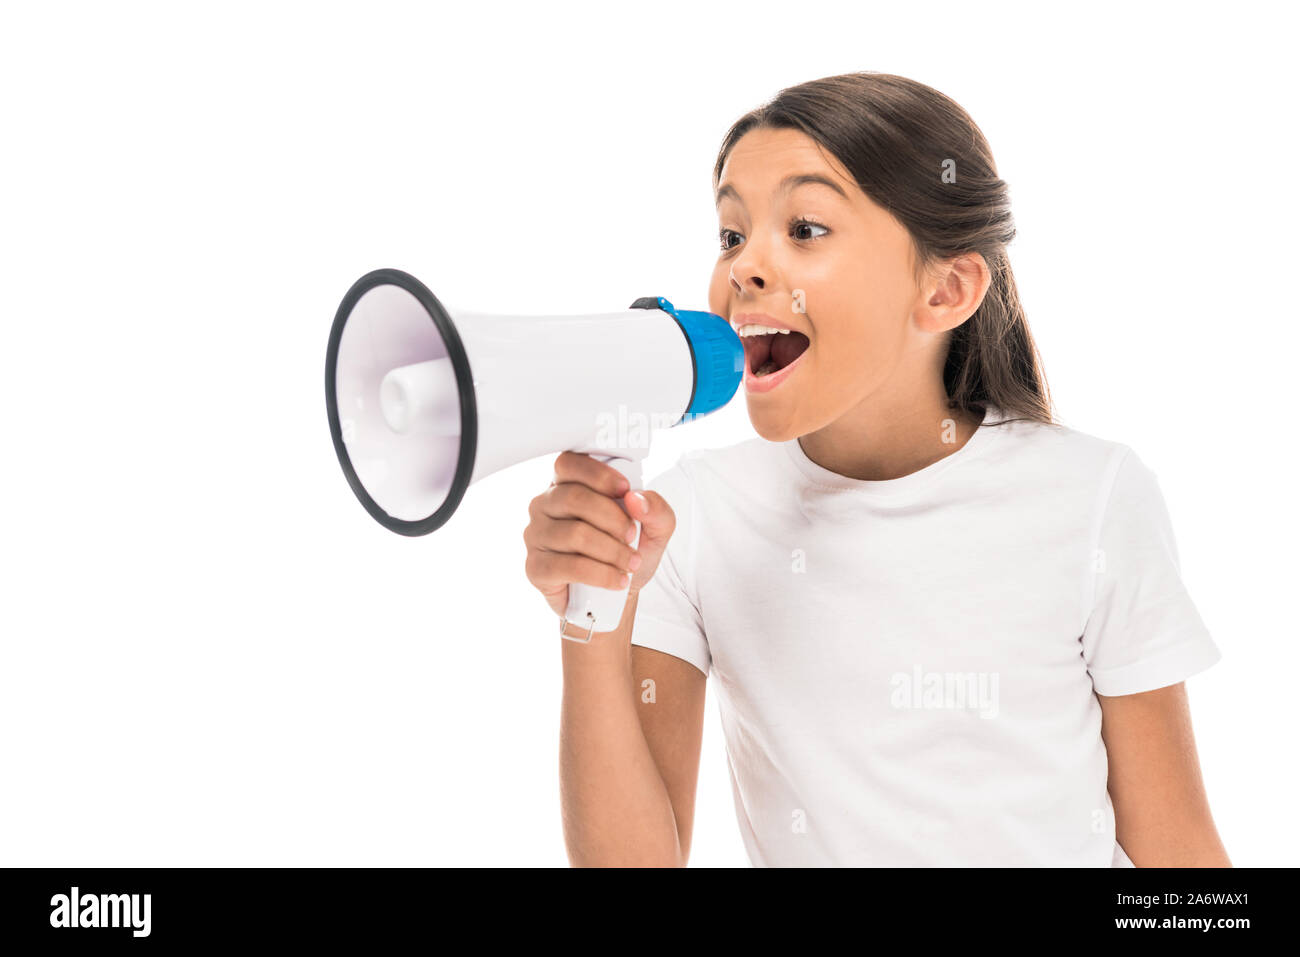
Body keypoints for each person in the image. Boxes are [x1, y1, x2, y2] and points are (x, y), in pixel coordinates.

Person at [522, 72, 1229, 867]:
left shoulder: (1091, 497)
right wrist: (593, 613)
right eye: (730, 234)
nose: (745, 266)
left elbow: (1183, 863)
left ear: (946, 289)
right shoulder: (690, 519)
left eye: (806, 227)